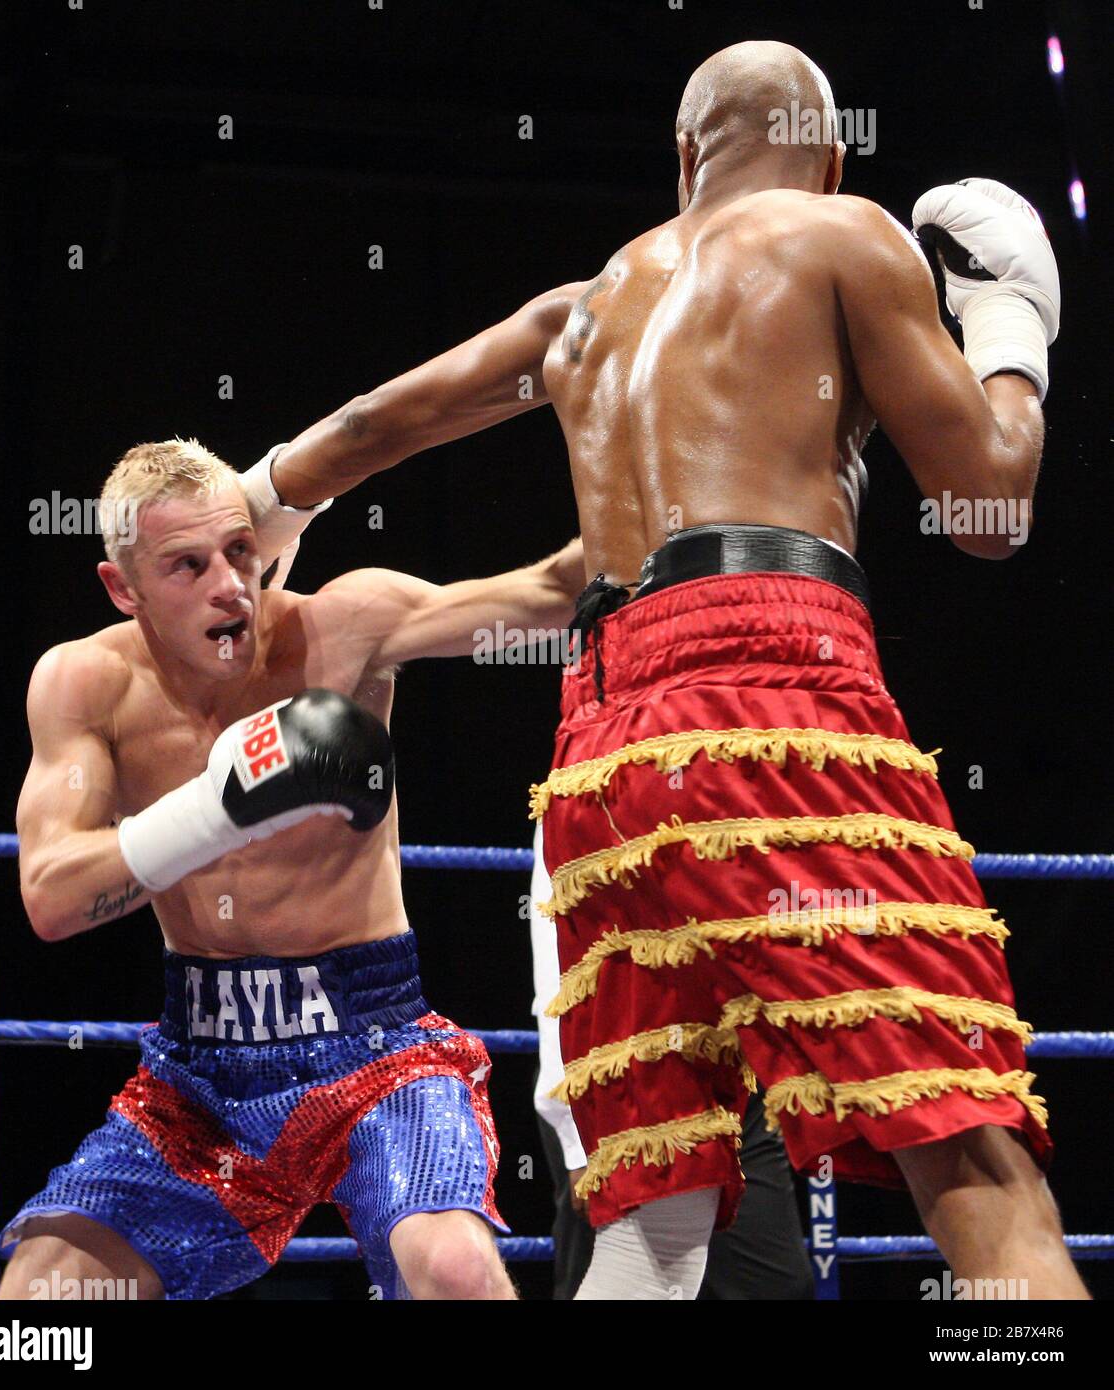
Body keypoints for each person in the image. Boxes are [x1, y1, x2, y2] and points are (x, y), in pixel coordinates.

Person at [250, 40, 1086, 1300]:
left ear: (686, 159)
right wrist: (1013, 322)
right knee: (973, 1158)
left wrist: (267, 502)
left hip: (605, 748)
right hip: (778, 693)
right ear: (832, 157)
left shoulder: (584, 309)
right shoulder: (842, 235)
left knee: (655, 1208)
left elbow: (377, 427)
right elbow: (987, 507)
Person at [0, 437, 586, 1300]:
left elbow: (544, 596)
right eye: (187, 566)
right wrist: (219, 804)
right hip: (198, 1077)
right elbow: (50, 897)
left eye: (240, 551)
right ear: (121, 589)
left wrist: (682, 503)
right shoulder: (84, 683)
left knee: (456, 1268)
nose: (228, 585)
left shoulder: (343, 626)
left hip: (378, 1047)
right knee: (39, 1306)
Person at [529, 824, 813, 1300]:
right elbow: (558, 957)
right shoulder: (599, 772)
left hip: (735, 1074)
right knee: (629, 1275)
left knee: (773, 1285)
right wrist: (577, 1137)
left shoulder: (735, 772)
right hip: (615, 1086)